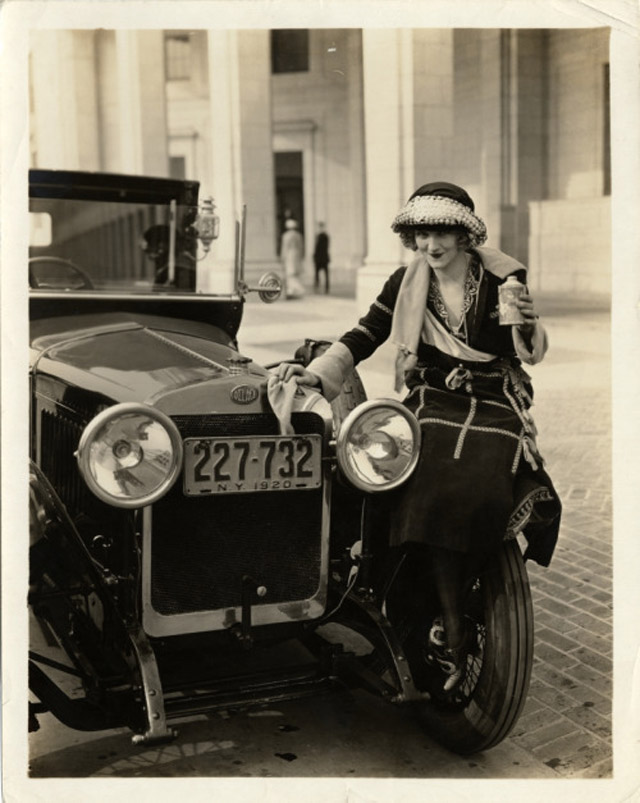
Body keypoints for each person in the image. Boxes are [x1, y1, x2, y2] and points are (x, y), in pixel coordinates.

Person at [275, 181, 561, 693]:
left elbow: (525, 349)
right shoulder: (405, 281)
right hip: (433, 395)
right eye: (422, 234)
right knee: (406, 472)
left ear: (464, 235)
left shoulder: (502, 278)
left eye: (442, 233)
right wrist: (316, 376)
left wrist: (527, 324)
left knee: (483, 481)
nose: (431, 244)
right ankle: (429, 613)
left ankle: (457, 609)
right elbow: (366, 334)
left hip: (494, 396)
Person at [280, 218, 305, 299]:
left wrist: (282, 258)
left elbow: (284, 248)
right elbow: (301, 247)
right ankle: (294, 291)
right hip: (296, 256)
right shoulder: (298, 235)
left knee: (290, 274)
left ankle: (291, 291)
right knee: (295, 275)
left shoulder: (286, 236)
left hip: (289, 256)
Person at [313, 222, 330, 293]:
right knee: (318, 273)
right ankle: (318, 286)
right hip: (321, 258)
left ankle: (325, 287)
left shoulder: (324, 236)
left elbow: (320, 248)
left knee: (324, 273)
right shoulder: (319, 236)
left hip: (322, 258)